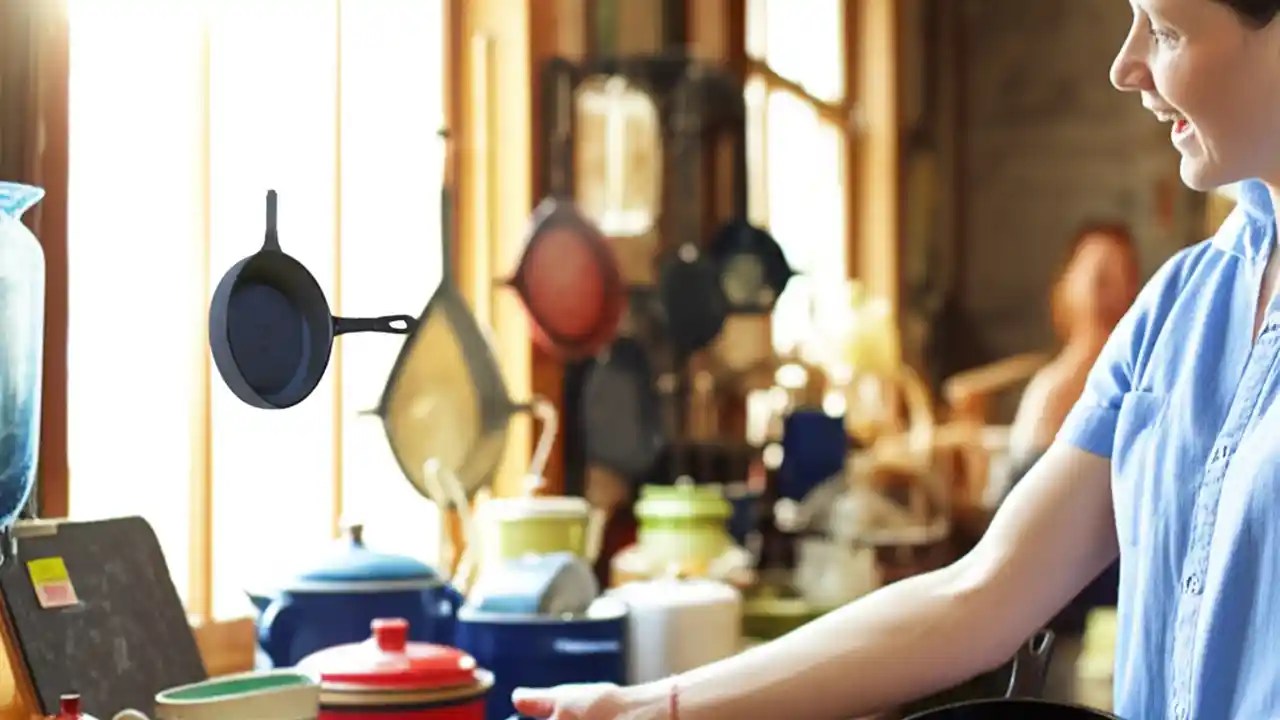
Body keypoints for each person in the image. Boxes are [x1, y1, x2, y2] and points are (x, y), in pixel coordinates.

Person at [512, 0, 1280, 717]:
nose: (1125, 64)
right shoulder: (1179, 308)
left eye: (1167, 30)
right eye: (1131, 18)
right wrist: (659, 705)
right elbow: (979, 596)